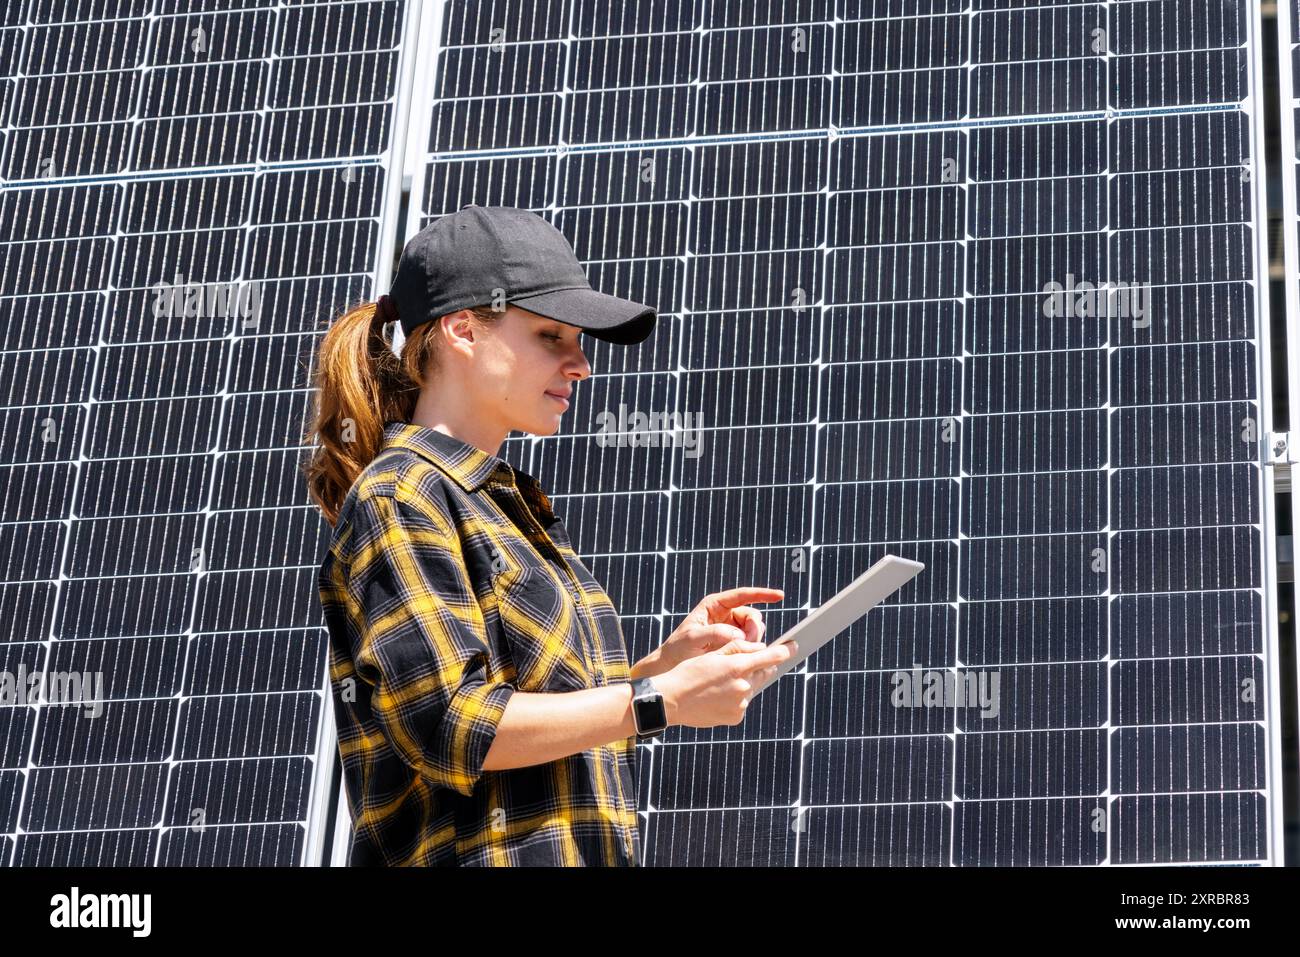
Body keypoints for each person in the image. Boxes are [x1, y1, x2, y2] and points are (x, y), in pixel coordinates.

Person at [304, 205, 795, 866]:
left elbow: (544, 721)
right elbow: (457, 724)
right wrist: (655, 702)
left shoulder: (507, 509)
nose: (581, 364)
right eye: (551, 336)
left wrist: (660, 670)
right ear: (462, 330)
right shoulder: (402, 495)